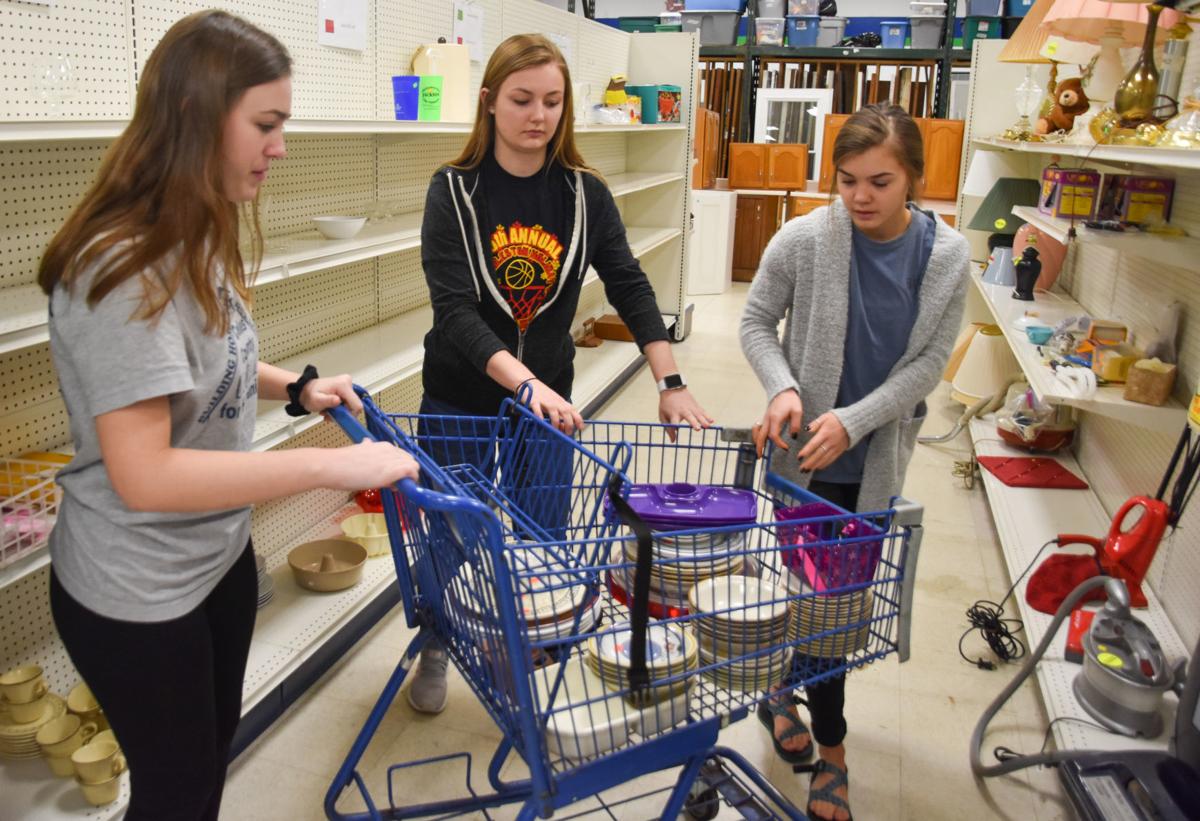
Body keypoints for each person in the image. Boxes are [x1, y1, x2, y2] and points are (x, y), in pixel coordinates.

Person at [37, 11, 418, 820]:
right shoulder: (118, 268)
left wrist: (296, 387)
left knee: (208, 764)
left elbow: (207, 367)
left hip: (214, 557)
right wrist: (332, 463)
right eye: (266, 124)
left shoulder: (194, 225)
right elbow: (145, 473)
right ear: (197, 117)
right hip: (136, 591)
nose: (281, 146)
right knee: (177, 793)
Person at [408, 33, 712, 713]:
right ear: (489, 103)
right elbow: (455, 311)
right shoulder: (453, 192)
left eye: (552, 100)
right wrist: (524, 384)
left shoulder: (584, 194)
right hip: (460, 396)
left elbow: (630, 284)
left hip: (548, 404)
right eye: (521, 99)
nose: (537, 115)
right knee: (452, 532)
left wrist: (670, 380)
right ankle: (435, 641)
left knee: (544, 536)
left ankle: (523, 646)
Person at [740, 103, 970, 821]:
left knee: (835, 613)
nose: (861, 197)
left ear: (916, 180)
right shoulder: (805, 239)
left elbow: (931, 361)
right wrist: (782, 387)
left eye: (880, 181)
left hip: (871, 463)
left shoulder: (948, 256)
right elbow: (755, 322)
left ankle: (792, 699)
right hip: (802, 462)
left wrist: (856, 420)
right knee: (811, 605)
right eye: (846, 181)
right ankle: (829, 750)